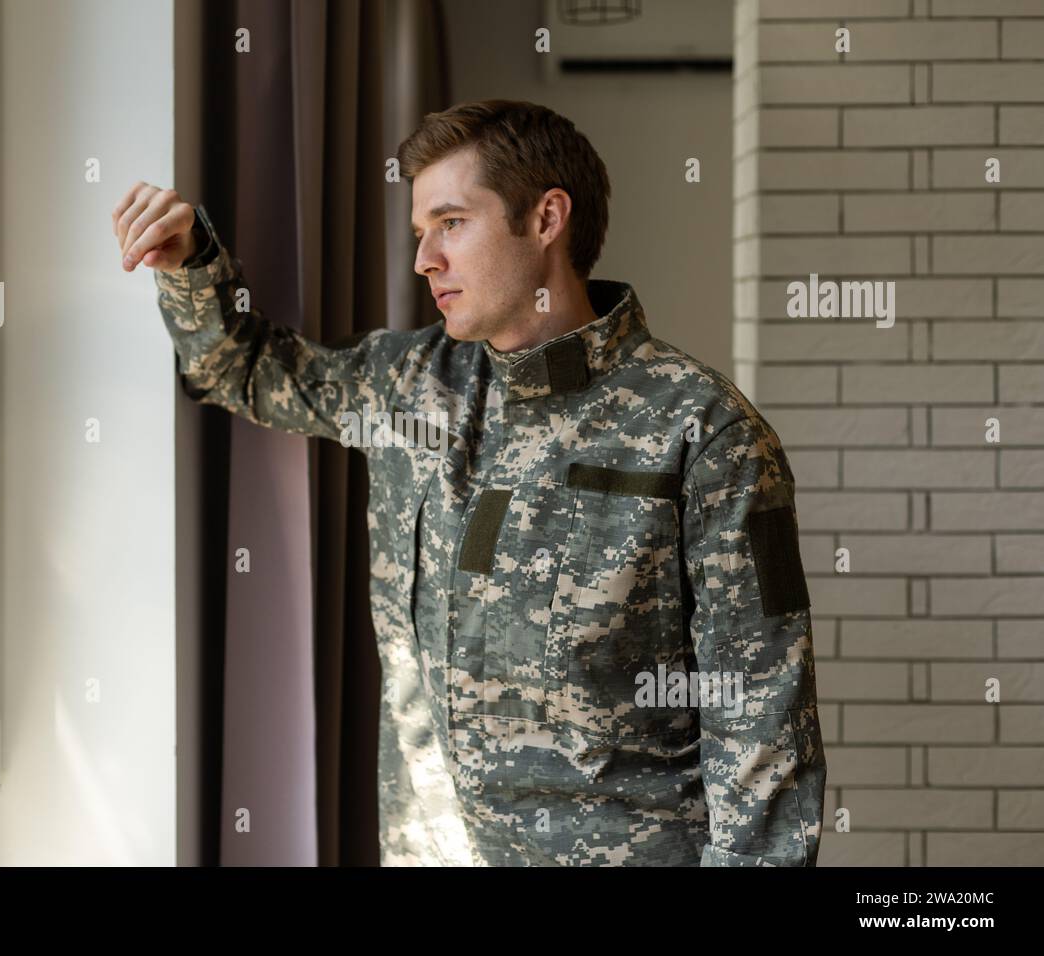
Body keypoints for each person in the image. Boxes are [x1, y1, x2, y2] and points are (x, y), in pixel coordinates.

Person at [112, 99, 826, 866]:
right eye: (421, 231)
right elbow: (240, 369)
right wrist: (188, 262)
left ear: (546, 218)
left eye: (450, 223)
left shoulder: (704, 431)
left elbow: (760, 720)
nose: (424, 259)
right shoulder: (406, 386)